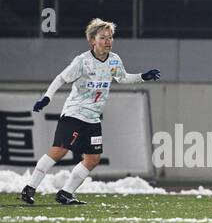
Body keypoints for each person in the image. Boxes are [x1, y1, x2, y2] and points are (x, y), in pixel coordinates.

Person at [19, 18, 161, 205]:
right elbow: (61, 79)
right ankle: (29, 188)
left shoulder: (114, 60)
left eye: (110, 37)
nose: (108, 41)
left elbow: (123, 78)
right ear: (92, 40)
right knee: (59, 151)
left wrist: (143, 77)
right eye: (103, 38)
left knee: (93, 159)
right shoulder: (82, 61)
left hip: (93, 119)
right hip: (74, 114)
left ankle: (65, 193)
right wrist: (47, 97)